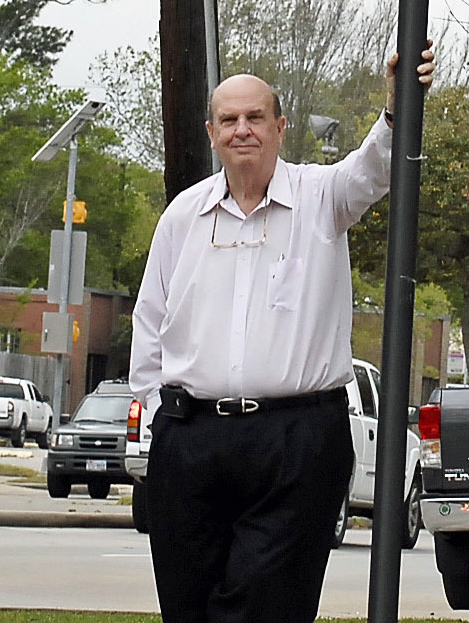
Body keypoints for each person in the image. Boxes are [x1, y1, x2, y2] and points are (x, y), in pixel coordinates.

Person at [130, 46, 435, 623]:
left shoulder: (323, 198)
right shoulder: (182, 216)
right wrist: (156, 420)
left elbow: (376, 166)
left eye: (254, 118)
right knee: (188, 607)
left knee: (269, 606)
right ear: (212, 132)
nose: (242, 129)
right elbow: (150, 326)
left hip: (297, 442)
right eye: (229, 119)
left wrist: (397, 108)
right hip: (191, 441)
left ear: (279, 126)